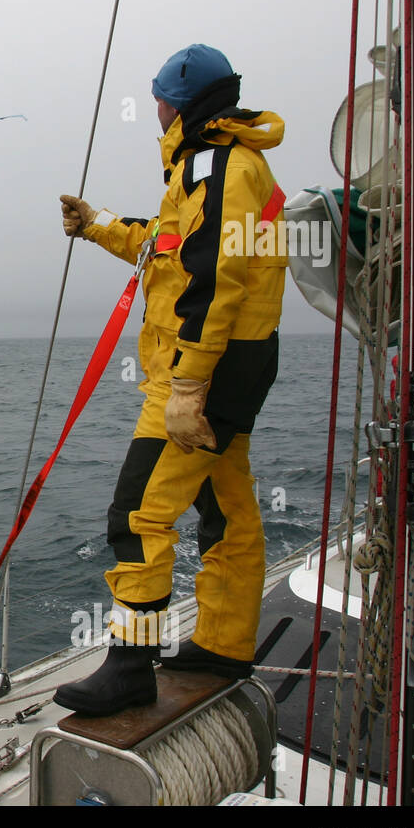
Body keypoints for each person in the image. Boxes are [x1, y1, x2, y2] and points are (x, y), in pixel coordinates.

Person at [53, 44, 288, 715]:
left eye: (158, 99)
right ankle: (222, 643)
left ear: (177, 104)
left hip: (203, 373)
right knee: (226, 511)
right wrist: (97, 225)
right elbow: (164, 245)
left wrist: (187, 387)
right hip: (232, 368)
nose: (153, 110)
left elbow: (215, 278)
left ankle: (131, 667)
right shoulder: (213, 169)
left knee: (138, 512)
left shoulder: (216, 169)